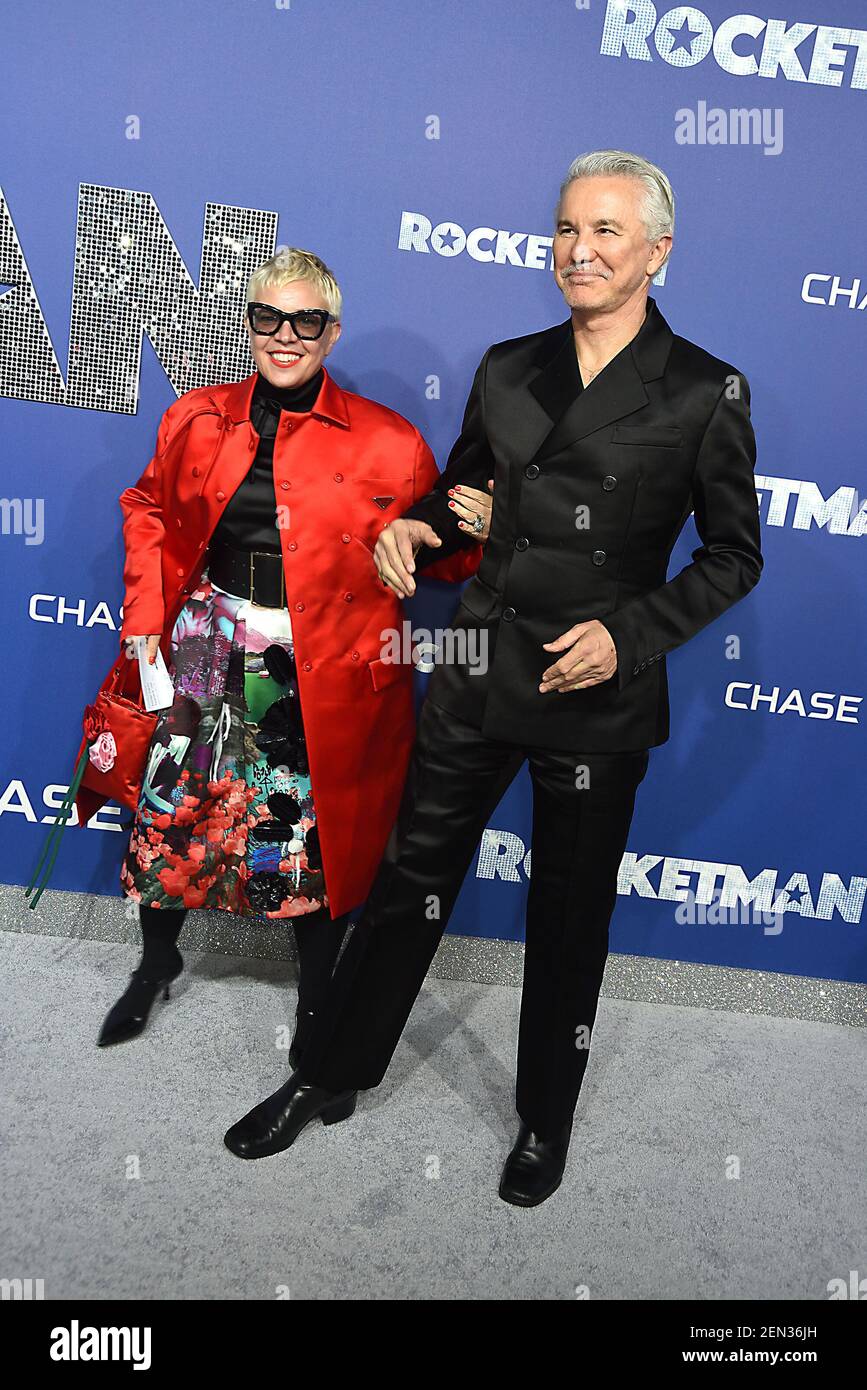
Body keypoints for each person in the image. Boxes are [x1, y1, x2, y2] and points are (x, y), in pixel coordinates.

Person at [222, 151, 763, 1208]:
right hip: (477, 659)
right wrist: (417, 524)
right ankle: (328, 1074)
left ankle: (543, 1120)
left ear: (658, 251)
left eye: (607, 230)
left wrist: (634, 635)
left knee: (567, 917)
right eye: (567, 227)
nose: (579, 248)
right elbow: (466, 482)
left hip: (596, 686)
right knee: (404, 886)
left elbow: (735, 556)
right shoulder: (511, 366)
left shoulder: (705, 390)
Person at [79, 246, 490, 1052]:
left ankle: (318, 1002)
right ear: (249, 324)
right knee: (172, 811)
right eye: (270, 318)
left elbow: (447, 557)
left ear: (331, 333)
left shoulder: (390, 440)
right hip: (204, 638)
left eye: (306, 321)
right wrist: (144, 613)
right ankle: (155, 965)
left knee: (299, 831)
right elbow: (149, 509)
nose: (286, 336)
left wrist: (475, 520)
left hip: (317, 661)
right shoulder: (195, 416)